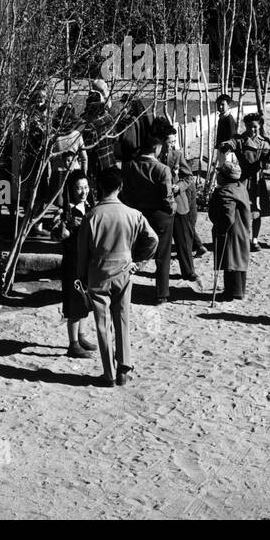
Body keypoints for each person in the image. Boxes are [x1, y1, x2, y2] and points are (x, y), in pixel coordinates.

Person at [76, 166, 158, 387]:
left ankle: (109, 373)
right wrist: (139, 263)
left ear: (98, 187)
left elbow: (82, 252)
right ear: (120, 187)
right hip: (124, 271)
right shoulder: (133, 214)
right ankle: (124, 366)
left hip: (98, 273)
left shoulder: (92, 216)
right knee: (123, 319)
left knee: (103, 324)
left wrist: (81, 277)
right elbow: (153, 240)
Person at [121, 132, 176, 303]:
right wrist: (172, 209)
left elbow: (126, 192)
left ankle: (123, 286)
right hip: (160, 216)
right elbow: (167, 197)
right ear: (156, 148)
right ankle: (162, 293)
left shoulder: (130, 166)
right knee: (163, 256)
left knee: (133, 253)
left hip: (137, 215)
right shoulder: (162, 169)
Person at [153, 117, 202, 290]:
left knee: (184, 241)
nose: (172, 145)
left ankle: (189, 271)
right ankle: (162, 273)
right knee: (162, 244)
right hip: (162, 206)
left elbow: (189, 177)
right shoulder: (154, 158)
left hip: (179, 204)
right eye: (169, 142)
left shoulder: (178, 155)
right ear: (161, 142)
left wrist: (178, 186)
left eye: (174, 142)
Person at [53, 169, 97, 358]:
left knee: (86, 302)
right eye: (79, 188)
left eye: (86, 187)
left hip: (88, 262)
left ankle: (81, 336)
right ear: (71, 190)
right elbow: (55, 234)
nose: (83, 192)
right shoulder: (65, 212)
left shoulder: (90, 207)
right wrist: (63, 231)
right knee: (74, 303)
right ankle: (73, 344)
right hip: (72, 263)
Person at [218, 111, 270, 251]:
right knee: (241, 210)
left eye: (255, 126)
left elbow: (268, 162)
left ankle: (255, 240)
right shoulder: (240, 139)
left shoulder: (264, 142)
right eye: (249, 126)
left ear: (260, 126)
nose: (252, 129)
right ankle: (242, 238)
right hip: (242, 181)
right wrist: (226, 147)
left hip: (257, 180)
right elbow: (229, 144)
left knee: (257, 210)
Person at [208, 153, 252, 301]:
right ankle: (238, 291)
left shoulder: (225, 191)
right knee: (239, 260)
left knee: (230, 261)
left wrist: (221, 228)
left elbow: (228, 215)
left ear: (225, 177)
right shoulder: (240, 187)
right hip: (242, 229)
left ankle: (232, 292)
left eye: (220, 173)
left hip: (231, 231)